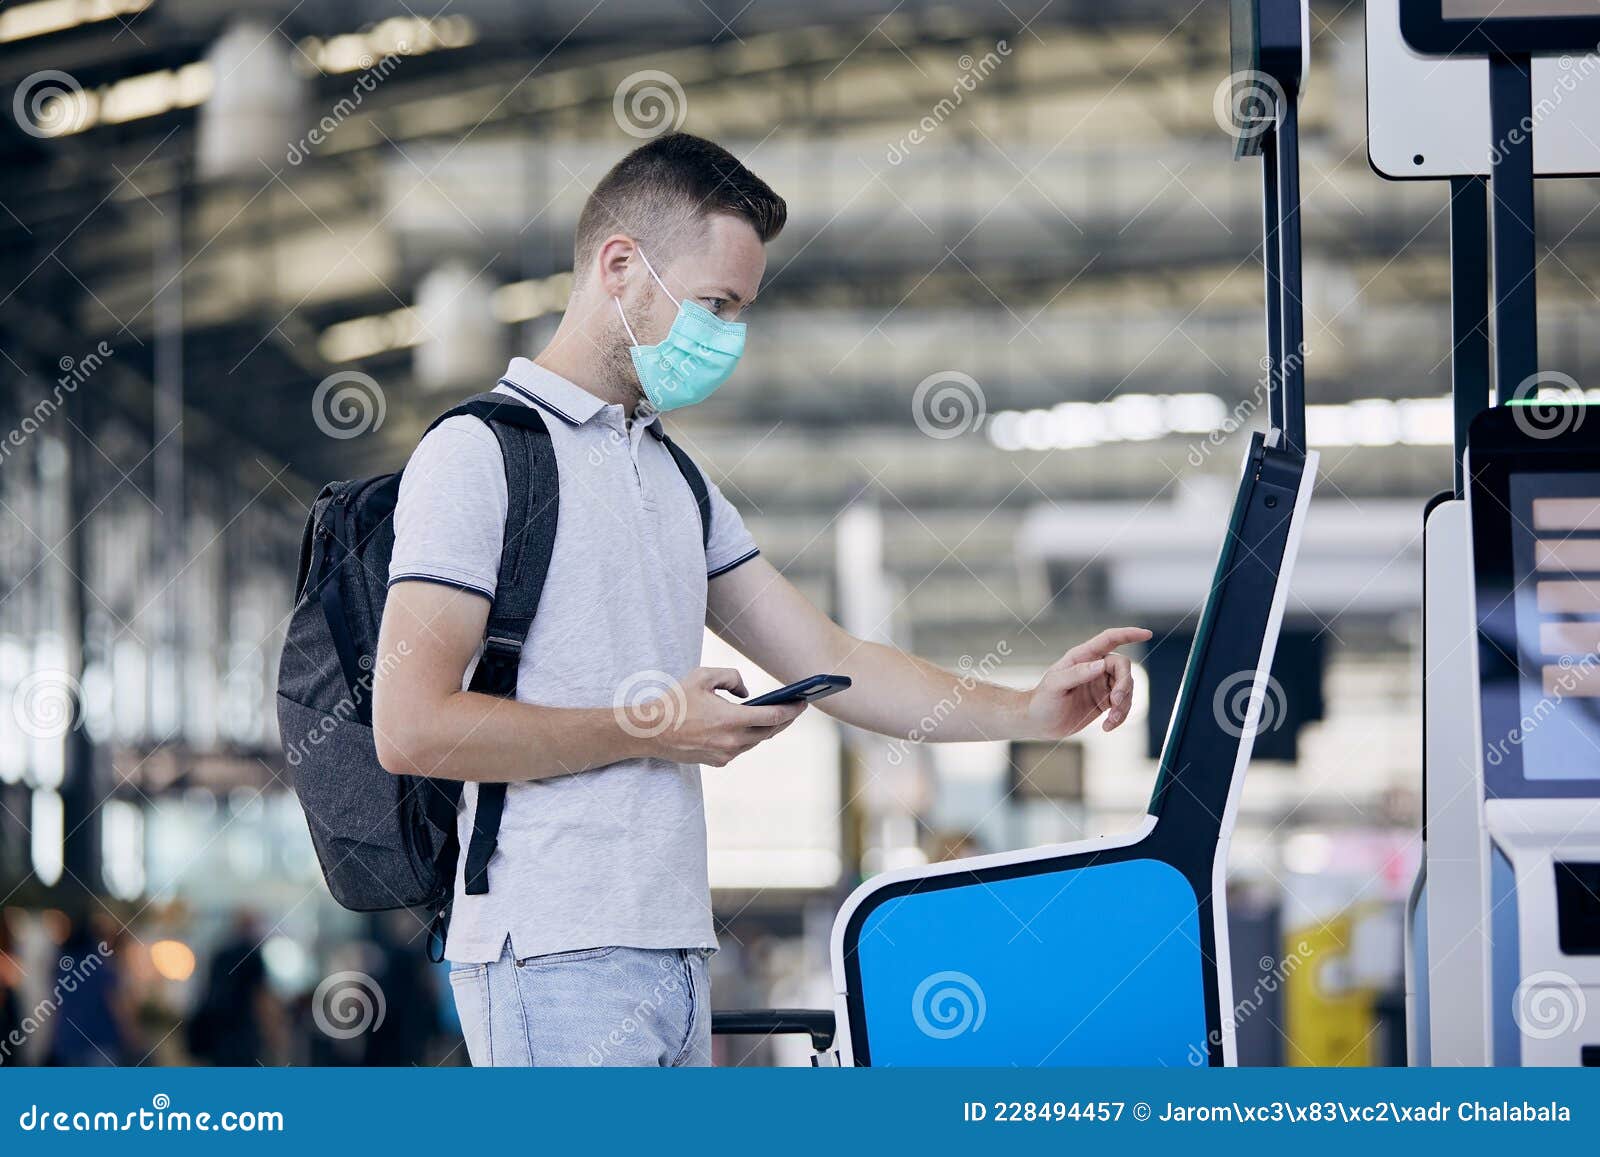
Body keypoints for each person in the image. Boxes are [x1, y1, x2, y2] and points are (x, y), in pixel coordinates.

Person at [373, 132, 1149, 1067]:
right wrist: (650, 727)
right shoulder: (477, 456)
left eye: (740, 310)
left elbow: (838, 661)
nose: (728, 335)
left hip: (676, 943)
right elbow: (410, 727)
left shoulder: (675, 479)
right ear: (620, 267)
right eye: (715, 304)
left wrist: (1027, 708)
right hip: (548, 947)